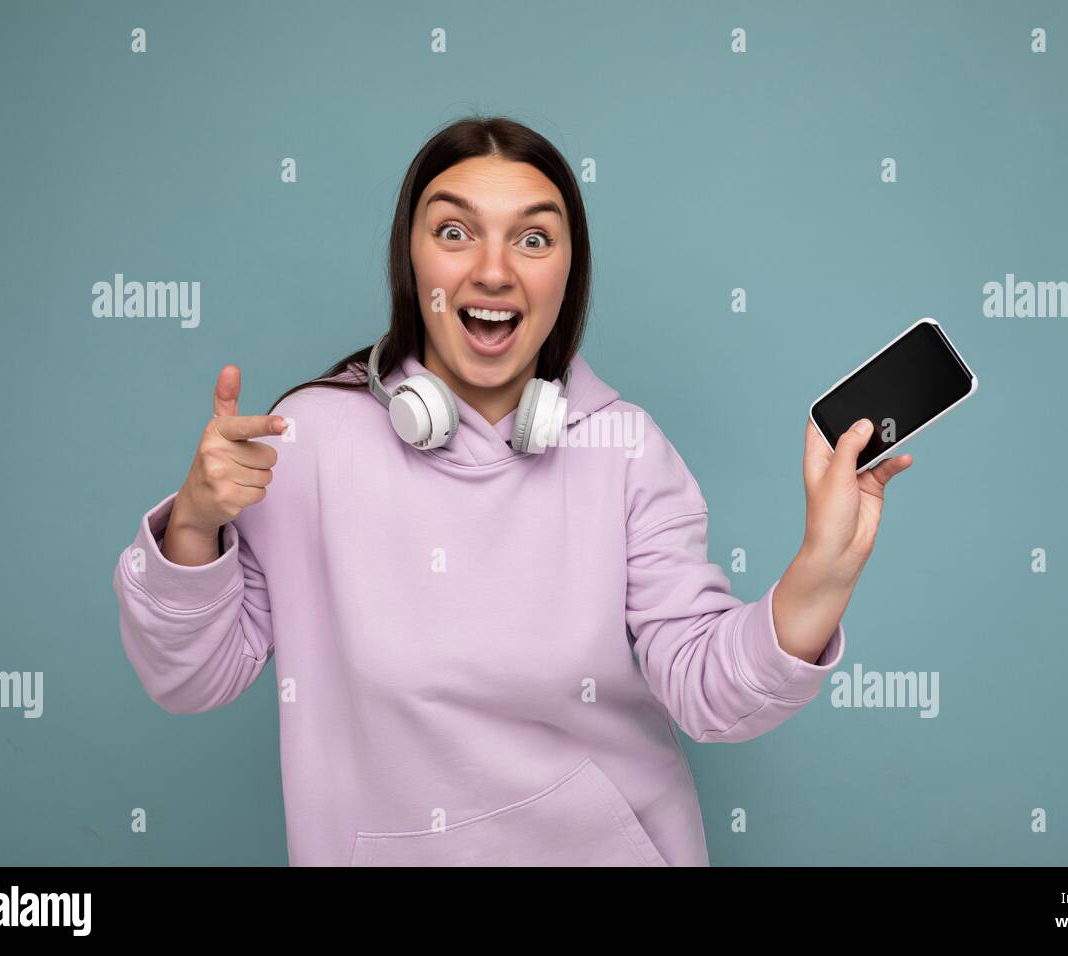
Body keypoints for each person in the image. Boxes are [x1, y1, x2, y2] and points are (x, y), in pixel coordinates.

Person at [111, 115, 913, 867]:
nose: (493, 270)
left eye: (533, 238)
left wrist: (823, 568)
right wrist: (196, 522)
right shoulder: (308, 440)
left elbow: (712, 696)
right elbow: (191, 679)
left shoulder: (623, 446)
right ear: (412, 260)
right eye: (454, 232)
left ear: (568, 273)